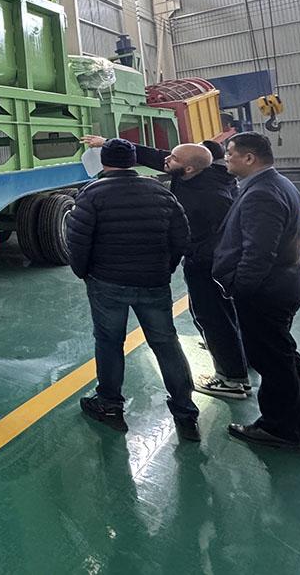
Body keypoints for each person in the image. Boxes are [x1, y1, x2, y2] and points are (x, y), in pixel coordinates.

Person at [81, 135, 247, 400]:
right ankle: (208, 383)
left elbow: (199, 237)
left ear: (189, 168)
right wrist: (108, 141)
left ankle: (233, 378)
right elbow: (156, 156)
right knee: (177, 332)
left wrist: (186, 257)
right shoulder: (189, 176)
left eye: (173, 158)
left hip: (209, 265)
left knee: (214, 317)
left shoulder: (212, 197)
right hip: (177, 269)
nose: (166, 160)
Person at [65, 138, 200, 441]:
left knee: (109, 342)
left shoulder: (92, 194)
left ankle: (109, 404)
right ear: (133, 161)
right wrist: (165, 268)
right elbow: (181, 236)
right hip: (153, 282)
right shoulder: (159, 192)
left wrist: (84, 272)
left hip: (107, 282)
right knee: (166, 344)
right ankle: (185, 412)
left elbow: (78, 240)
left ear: (103, 162)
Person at [215, 132, 300, 451]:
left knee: (273, 362)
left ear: (249, 158)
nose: (226, 158)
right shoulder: (277, 184)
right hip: (280, 287)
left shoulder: (262, 194)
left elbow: (258, 253)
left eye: (230, 153)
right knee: (283, 356)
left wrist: (241, 289)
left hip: (265, 293)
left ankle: (278, 428)